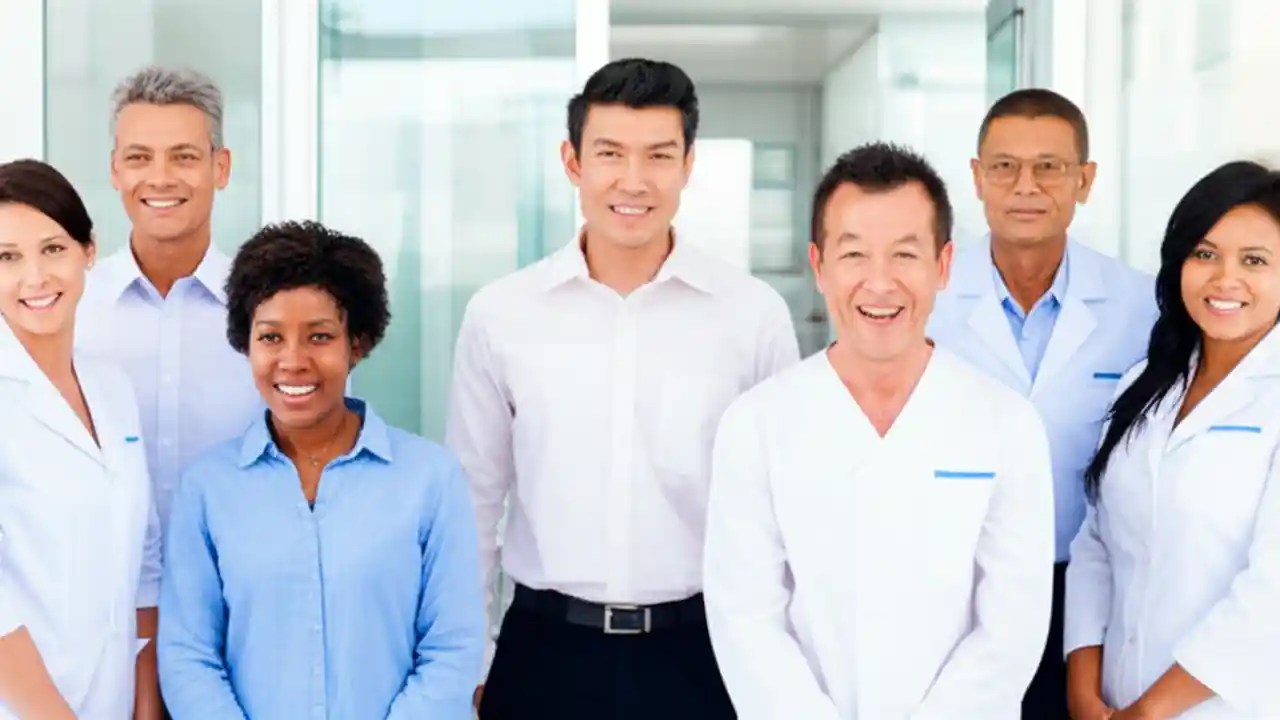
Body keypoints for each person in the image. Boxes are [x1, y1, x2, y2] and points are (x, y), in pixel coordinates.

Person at [446, 57, 799, 719]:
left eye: (659, 155)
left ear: (689, 164)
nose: (633, 181)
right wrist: (475, 659)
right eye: (609, 153)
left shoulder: (751, 315)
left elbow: (785, 515)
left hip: (704, 655)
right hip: (544, 654)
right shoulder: (503, 316)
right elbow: (472, 504)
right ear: (572, 161)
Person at [703, 142, 1055, 719]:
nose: (880, 282)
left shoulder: (1005, 423)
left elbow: (1011, 628)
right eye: (854, 255)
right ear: (818, 267)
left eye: (904, 255)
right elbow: (746, 619)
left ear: (942, 267)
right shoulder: (758, 424)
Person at [157, 221, 485, 719]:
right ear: (247, 344)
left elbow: (453, 649)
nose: (293, 361)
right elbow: (189, 657)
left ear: (358, 343)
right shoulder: (207, 488)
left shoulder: (430, 480)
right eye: (271, 337)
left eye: (319, 337)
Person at [927, 88, 1158, 719]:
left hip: (1093, 593)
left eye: (1049, 167)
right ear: (976, 179)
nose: (1025, 185)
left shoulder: (1143, 307)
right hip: (959, 589)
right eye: (1004, 166)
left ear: (1085, 180)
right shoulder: (927, 300)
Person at [1066, 161, 1280, 720]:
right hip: (1113, 699)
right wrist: (1084, 685)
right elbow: (1097, 539)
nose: (1224, 279)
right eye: (1204, 254)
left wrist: (1149, 712)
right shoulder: (1149, 380)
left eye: (1254, 261)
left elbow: (1270, 597)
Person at [0, 159, 161, 719]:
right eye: (7, 258)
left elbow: (144, 559)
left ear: (88, 251)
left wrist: (144, 705)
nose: (35, 278)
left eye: (53, 248)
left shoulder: (112, 389)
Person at [76, 65, 261, 548]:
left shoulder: (270, 315)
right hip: (106, 610)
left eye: (183, 157)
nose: (159, 178)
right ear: (115, 169)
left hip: (238, 605)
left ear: (220, 168)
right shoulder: (69, 312)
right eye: (139, 157)